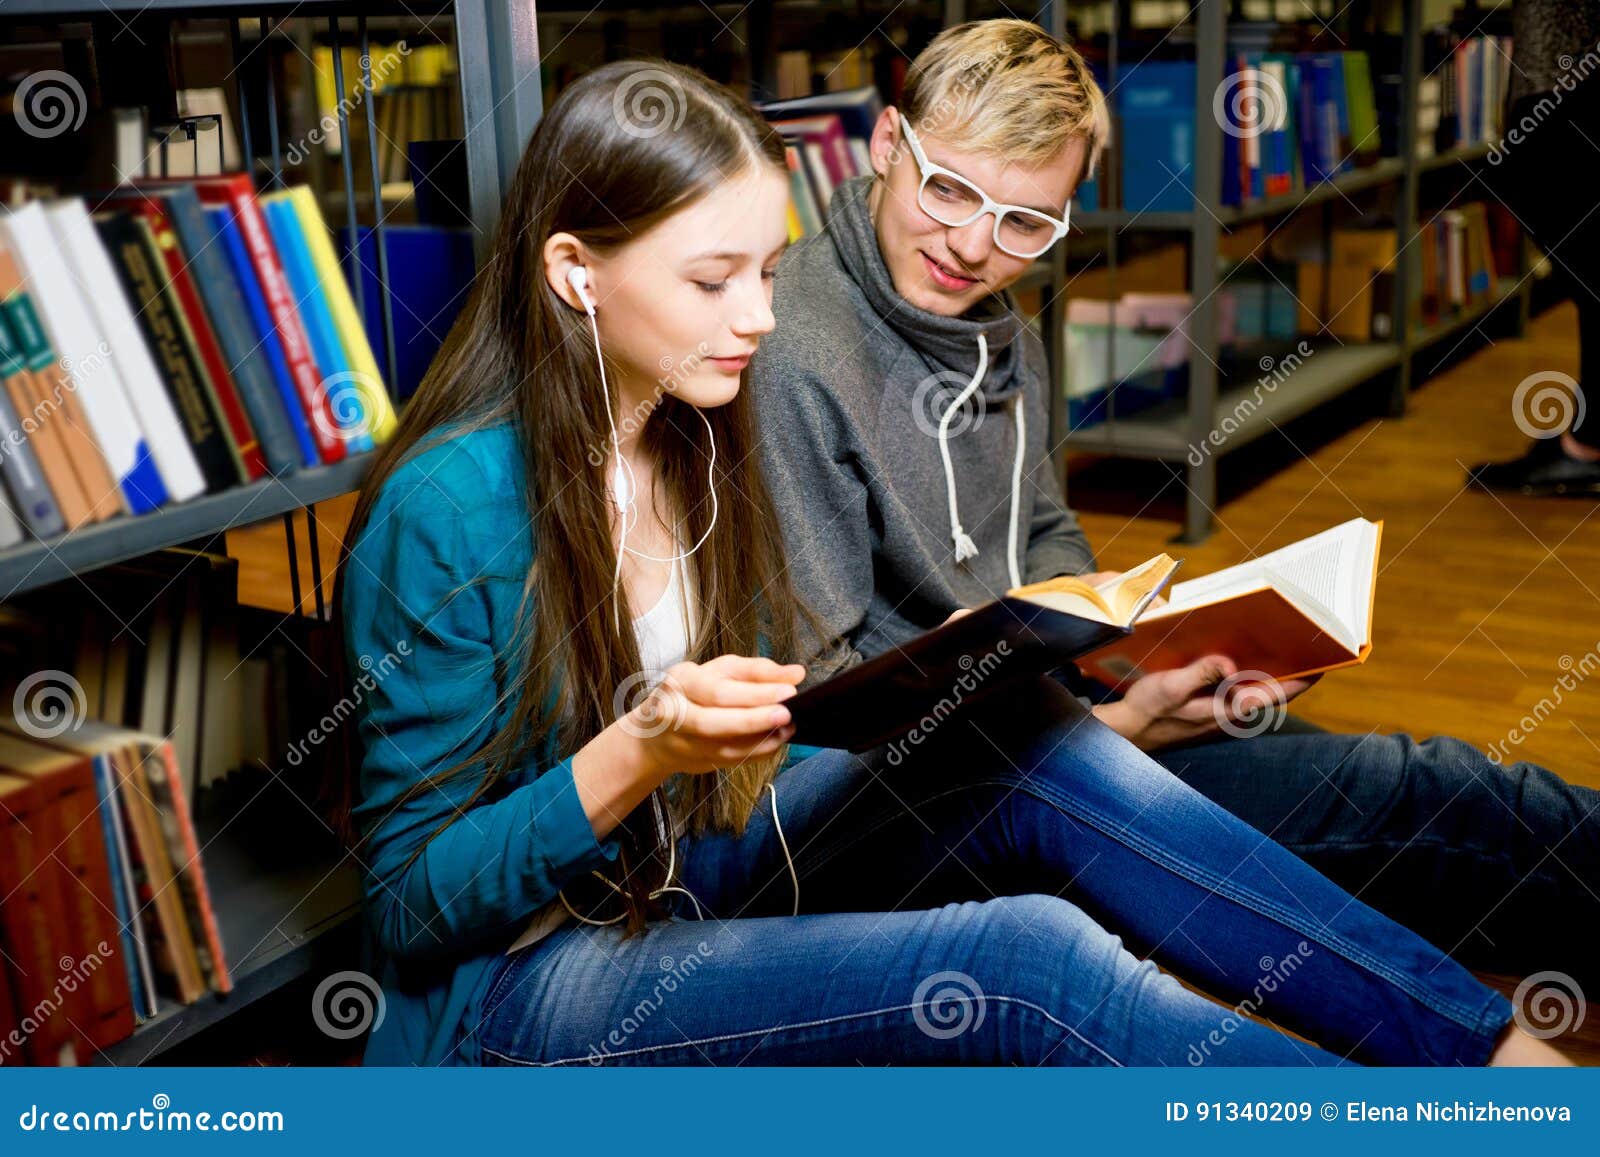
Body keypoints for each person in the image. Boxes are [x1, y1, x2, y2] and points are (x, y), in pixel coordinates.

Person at [335, 57, 1566, 1068]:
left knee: (1034, 740)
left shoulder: (695, 428)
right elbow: (410, 904)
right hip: (528, 975)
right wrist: (640, 748)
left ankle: (1495, 1061)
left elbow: (782, 735)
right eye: (714, 280)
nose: (760, 314)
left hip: (693, 860)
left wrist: (986, 715)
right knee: (1026, 961)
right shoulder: (449, 510)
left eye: (766, 269)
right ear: (574, 274)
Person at [751, 19, 1600, 992]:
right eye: (947, 189)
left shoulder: (1000, 325)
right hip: (972, 782)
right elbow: (831, 712)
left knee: (1410, 803)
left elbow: (1040, 528)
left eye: (1026, 222)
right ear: (885, 143)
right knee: (1419, 796)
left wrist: (1124, 632)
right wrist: (1121, 727)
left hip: (1058, 707)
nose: (974, 247)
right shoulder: (792, 350)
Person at [1469, 0, 1600, 495]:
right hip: (1560, 83)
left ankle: (1586, 447)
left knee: (1591, 277)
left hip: (1568, 87)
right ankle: (1587, 439)